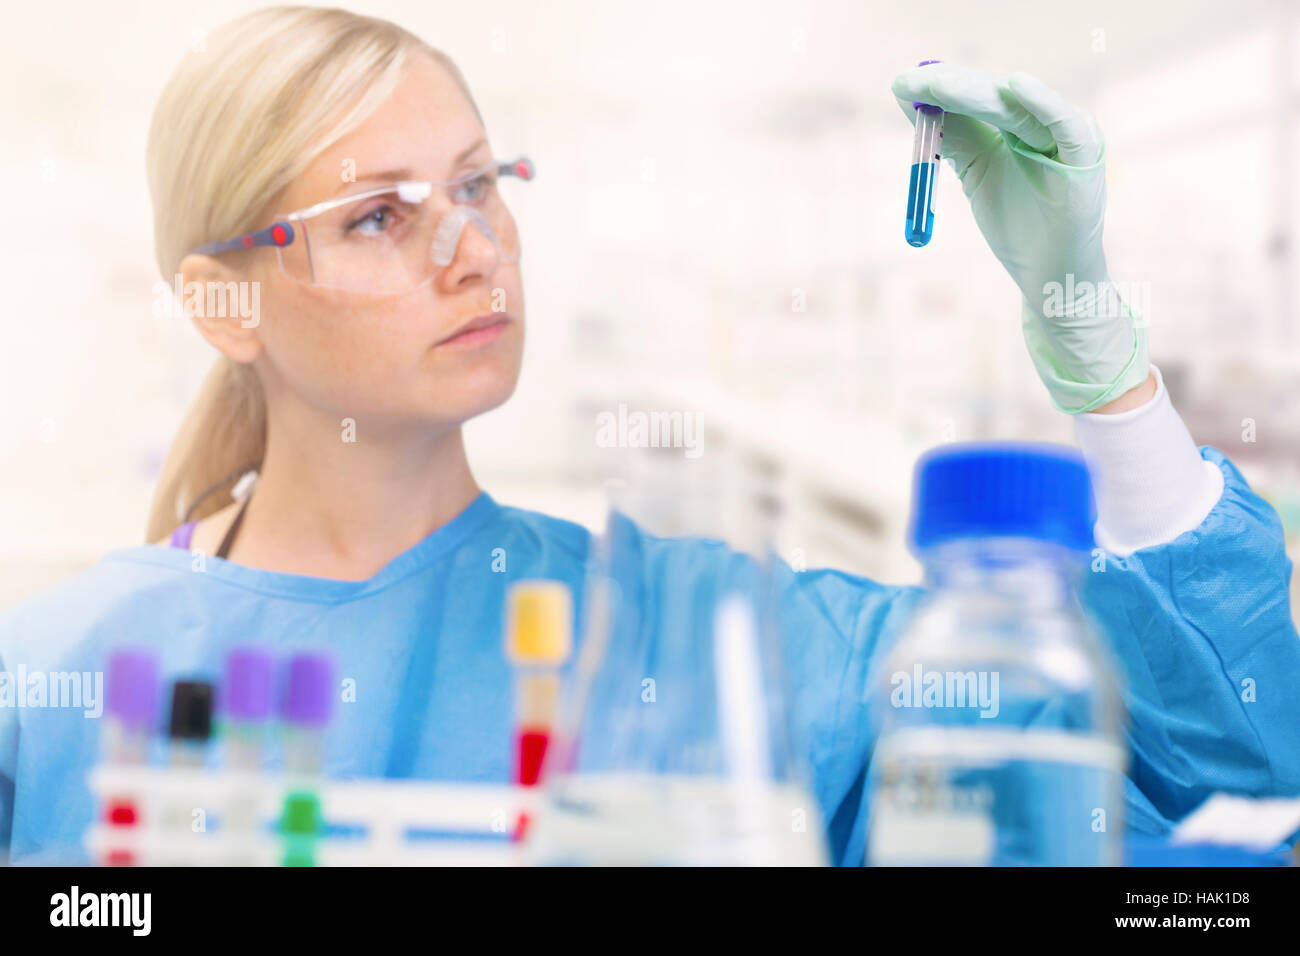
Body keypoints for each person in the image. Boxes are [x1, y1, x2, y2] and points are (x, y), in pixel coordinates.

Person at [0, 6, 1296, 865]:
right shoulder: (48, 690)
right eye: (381, 218)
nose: (475, 252)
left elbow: (1210, 770)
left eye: (477, 184)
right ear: (222, 299)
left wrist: (1095, 350)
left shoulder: (702, 637)